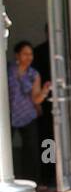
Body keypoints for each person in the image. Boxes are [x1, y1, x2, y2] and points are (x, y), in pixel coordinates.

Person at [8, 40, 51, 181]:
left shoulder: (34, 74)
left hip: (28, 116)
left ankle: (32, 182)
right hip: (8, 115)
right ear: (17, 55)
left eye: (31, 54)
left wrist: (44, 92)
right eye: (25, 54)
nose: (29, 57)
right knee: (4, 150)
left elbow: (35, 99)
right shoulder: (8, 71)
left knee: (31, 151)